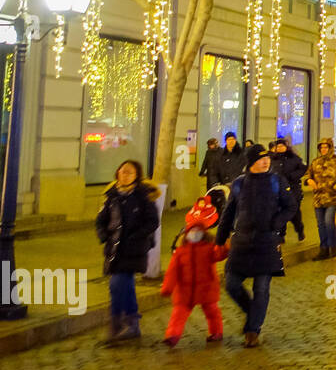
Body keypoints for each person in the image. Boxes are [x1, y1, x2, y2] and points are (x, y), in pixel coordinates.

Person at [216, 144, 296, 347]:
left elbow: (291, 206)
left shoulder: (276, 181)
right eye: (261, 158)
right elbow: (228, 213)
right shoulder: (239, 184)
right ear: (251, 162)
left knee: (261, 288)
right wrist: (220, 239)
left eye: (267, 158)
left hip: (267, 241)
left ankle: (253, 330)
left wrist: (276, 225)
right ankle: (253, 313)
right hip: (242, 242)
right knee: (232, 284)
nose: (266, 161)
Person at [95, 160, 160, 343]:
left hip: (134, 249)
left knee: (116, 285)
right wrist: (104, 236)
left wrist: (137, 236)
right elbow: (100, 220)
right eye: (122, 171)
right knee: (127, 286)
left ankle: (115, 325)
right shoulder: (111, 196)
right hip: (115, 248)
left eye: (129, 172)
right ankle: (132, 325)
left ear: (136, 175)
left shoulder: (143, 196)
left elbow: (152, 222)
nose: (125, 175)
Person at [161, 199, 228, 346]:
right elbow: (172, 272)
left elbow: (219, 255)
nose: (195, 233)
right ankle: (173, 335)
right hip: (185, 290)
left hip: (206, 288)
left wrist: (227, 246)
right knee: (178, 314)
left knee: (212, 311)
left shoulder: (209, 248)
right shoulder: (180, 252)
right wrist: (167, 287)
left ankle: (216, 332)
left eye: (198, 231)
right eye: (192, 231)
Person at [305, 137, 336, 260]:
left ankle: (332, 246)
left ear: (330, 148)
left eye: (326, 147)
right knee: (320, 224)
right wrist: (309, 180)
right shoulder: (316, 162)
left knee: (328, 221)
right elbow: (308, 174)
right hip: (318, 198)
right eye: (321, 147)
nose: (323, 149)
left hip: (332, 197)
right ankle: (323, 248)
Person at [269, 138, 307, 242]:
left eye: (282, 146)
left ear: (286, 147)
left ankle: (299, 230)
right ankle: (281, 234)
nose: (280, 148)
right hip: (278, 191)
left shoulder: (294, 158)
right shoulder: (273, 159)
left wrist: (292, 176)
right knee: (280, 212)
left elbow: (303, 169)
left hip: (293, 190)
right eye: (278, 146)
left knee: (295, 213)